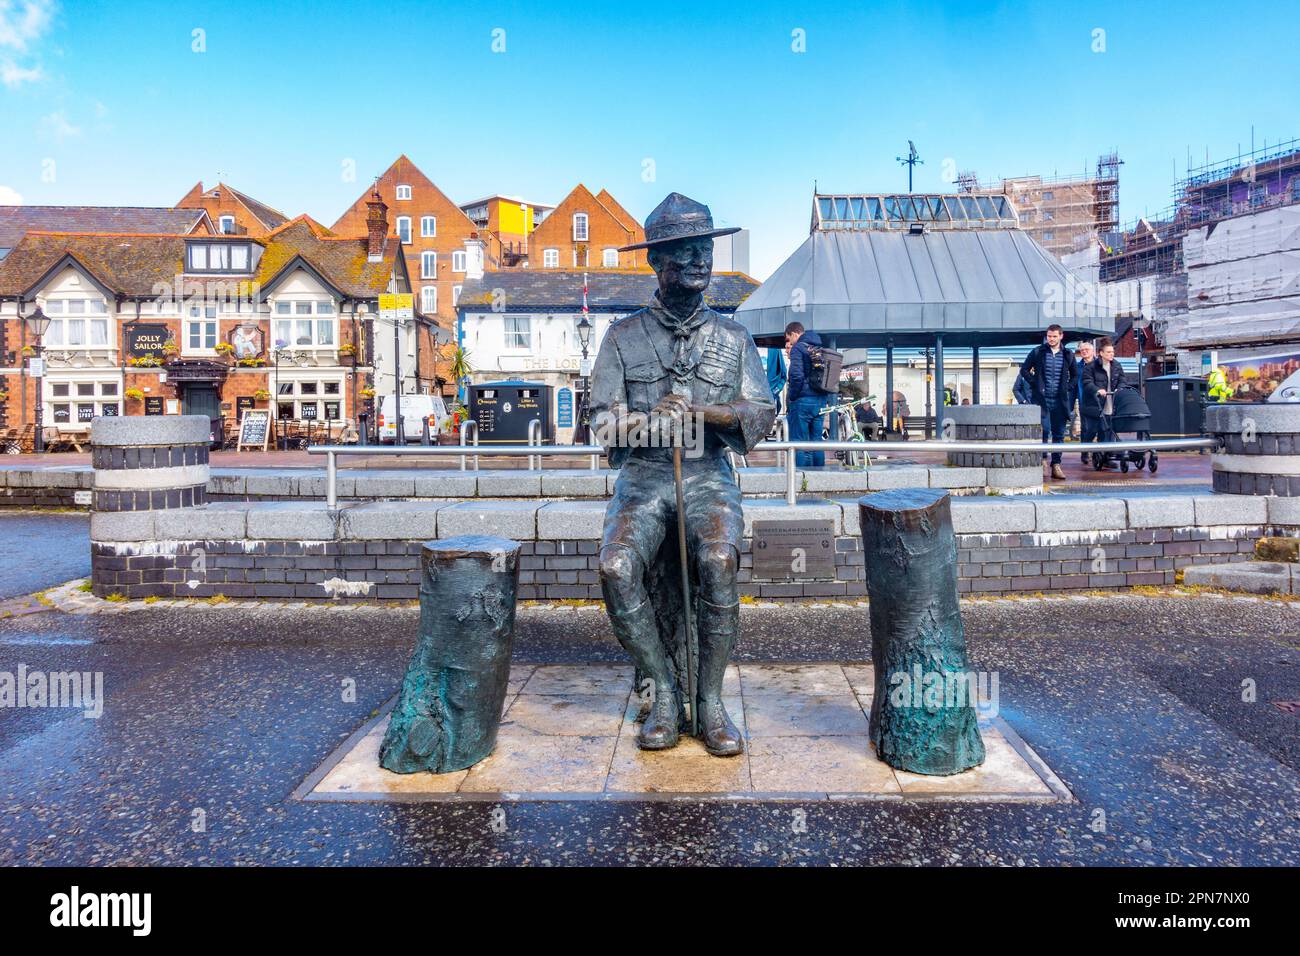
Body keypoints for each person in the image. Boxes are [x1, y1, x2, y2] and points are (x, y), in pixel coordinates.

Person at [590, 192, 774, 757]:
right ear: (654, 262)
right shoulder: (622, 338)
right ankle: (664, 692)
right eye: (683, 251)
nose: (698, 261)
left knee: (719, 559)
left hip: (705, 476)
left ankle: (712, 700)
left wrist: (705, 415)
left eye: (704, 250)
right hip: (646, 479)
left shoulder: (734, 338)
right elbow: (602, 425)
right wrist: (647, 423)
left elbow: (760, 415)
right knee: (616, 565)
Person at [1019, 323, 1077, 480]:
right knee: (1044, 430)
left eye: (1054, 336)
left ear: (1061, 336)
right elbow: (1024, 370)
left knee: (1058, 434)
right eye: (1049, 336)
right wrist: (1035, 383)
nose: (1051, 339)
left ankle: (1056, 465)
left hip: (1060, 401)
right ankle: (1043, 460)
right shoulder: (1038, 352)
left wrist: (1068, 388)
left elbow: (1075, 376)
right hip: (1042, 400)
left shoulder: (1068, 355)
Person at [784, 320, 828, 468]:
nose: (790, 342)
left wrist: (793, 396)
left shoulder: (798, 348)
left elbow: (796, 376)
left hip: (803, 401)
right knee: (817, 441)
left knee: (799, 443)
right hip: (821, 400)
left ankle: (801, 479)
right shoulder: (818, 347)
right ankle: (819, 476)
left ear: (795, 333)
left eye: (789, 338)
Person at [1083, 337, 1125, 427]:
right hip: (1095, 405)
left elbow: (1122, 380)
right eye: (1109, 352)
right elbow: (1087, 383)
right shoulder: (1091, 367)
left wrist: (1120, 389)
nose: (1111, 354)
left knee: (1110, 433)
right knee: (1091, 433)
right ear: (1101, 353)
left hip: (1112, 403)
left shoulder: (1117, 365)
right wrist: (1097, 390)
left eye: (1112, 352)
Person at [1074, 339, 1096, 462]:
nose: (1084, 352)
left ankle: (1099, 453)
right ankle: (1085, 453)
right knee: (1085, 427)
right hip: (1083, 400)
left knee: (1099, 427)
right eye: (1082, 350)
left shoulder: (1099, 365)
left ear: (1093, 351)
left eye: (1086, 350)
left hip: (1098, 401)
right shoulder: (1078, 367)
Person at [765, 346, 787, 417]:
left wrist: (775, 391)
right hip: (753, 402)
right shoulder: (750, 348)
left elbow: (783, 375)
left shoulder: (774, 349)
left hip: (770, 402)